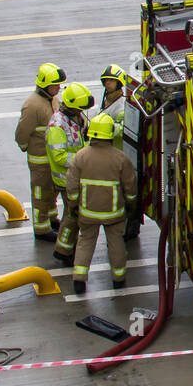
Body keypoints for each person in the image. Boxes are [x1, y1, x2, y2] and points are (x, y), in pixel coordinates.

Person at [65, 113, 137, 294]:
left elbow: (72, 186)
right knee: (116, 244)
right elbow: (130, 186)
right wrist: (131, 205)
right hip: (114, 214)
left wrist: (73, 206)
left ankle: (79, 280)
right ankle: (118, 279)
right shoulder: (120, 158)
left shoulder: (80, 157)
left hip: (87, 213)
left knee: (85, 243)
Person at [14, 62, 66, 242]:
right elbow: (22, 133)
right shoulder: (32, 106)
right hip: (40, 160)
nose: (58, 88)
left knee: (51, 191)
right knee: (40, 194)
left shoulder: (53, 100)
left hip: (51, 159)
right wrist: (25, 147)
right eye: (55, 85)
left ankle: (52, 219)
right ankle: (41, 229)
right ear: (45, 85)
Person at [47, 82, 94, 266]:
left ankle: (66, 247)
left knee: (72, 214)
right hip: (65, 179)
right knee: (71, 216)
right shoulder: (57, 126)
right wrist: (83, 158)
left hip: (75, 177)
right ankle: (63, 250)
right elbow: (59, 156)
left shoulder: (76, 116)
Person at [98, 63, 128, 151]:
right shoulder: (106, 99)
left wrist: (103, 127)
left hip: (116, 150)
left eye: (111, 80)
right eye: (106, 80)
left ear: (119, 83)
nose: (108, 83)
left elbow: (124, 130)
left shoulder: (123, 105)